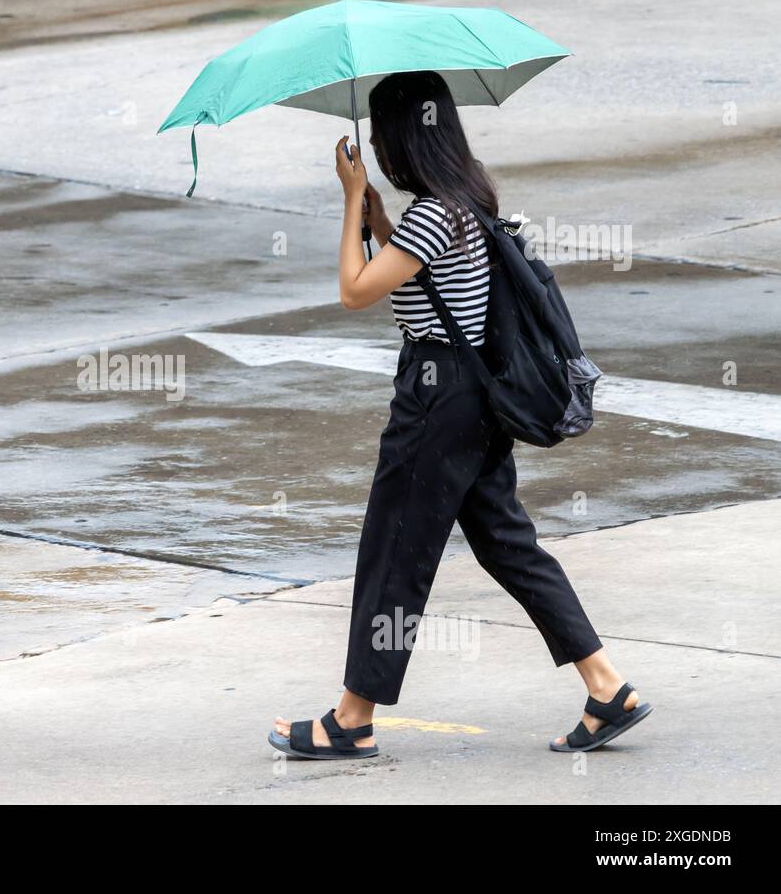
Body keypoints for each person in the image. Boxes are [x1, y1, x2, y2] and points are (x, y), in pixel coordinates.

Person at [268, 71, 652, 760]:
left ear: (404, 139)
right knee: (507, 543)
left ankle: (352, 718)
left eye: (383, 136)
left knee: (393, 555)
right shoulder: (465, 200)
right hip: (477, 398)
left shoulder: (431, 215)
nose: (380, 149)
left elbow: (356, 291)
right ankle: (607, 686)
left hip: (435, 400)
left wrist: (354, 198)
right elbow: (422, 272)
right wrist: (374, 218)